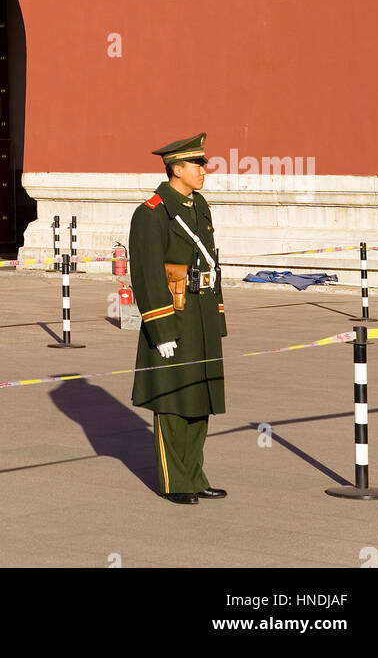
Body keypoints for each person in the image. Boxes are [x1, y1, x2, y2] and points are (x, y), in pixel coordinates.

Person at [128, 132, 227, 504]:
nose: (204, 170)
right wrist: (160, 327)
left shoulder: (199, 206)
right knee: (173, 401)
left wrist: (217, 316)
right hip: (173, 315)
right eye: (197, 164)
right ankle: (175, 482)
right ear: (176, 168)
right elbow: (147, 273)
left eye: (203, 163)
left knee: (199, 397)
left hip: (200, 313)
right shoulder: (151, 213)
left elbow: (211, 263)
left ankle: (195, 475)